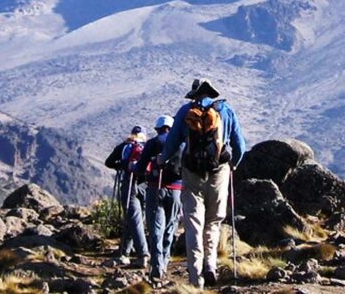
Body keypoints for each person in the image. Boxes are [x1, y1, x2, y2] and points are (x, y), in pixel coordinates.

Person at [159, 79, 246, 288]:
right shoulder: (225, 110)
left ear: (194, 95)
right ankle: (210, 265)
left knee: (193, 224)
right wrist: (233, 164)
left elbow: (172, 144)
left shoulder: (185, 111)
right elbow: (240, 146)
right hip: (219, 171)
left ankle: (195, 277)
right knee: (213, 222)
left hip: (192, 173)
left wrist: (162, 160)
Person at [135, 114, 183, 284]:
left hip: (156, 189)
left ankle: (156, 269)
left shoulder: (153, 143)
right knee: (171, 227)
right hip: (177, 190)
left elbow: (140, 168)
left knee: (156, 229)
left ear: (158, 128)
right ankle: (165, 260)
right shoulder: (181, 143)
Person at [104, 124, 149, 268]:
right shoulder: (148, 145)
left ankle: (143, 254)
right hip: (146, 186)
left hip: (129, 185)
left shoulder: (124, 146)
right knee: (137, 218)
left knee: (134, 219)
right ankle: (125, 252)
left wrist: (122, 165)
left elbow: (109, 162)